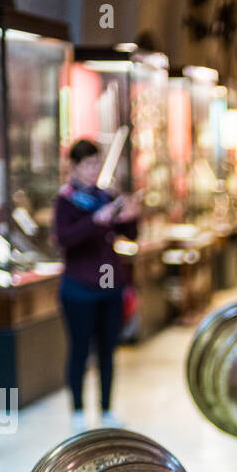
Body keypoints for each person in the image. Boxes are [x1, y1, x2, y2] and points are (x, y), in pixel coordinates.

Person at [53, 138, 141, 432]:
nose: (94, 170)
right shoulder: (65, 200)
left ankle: (106, 408)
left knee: (108, 349)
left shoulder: (106, 196)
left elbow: (129, 233)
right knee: (79, 350)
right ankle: (77, 410)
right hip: (79, 287)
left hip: (109, 284)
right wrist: (95, 220)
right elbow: (65, 239)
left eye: (96, 163)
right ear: (75, 166)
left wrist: (130, 215)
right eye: (88, 164)